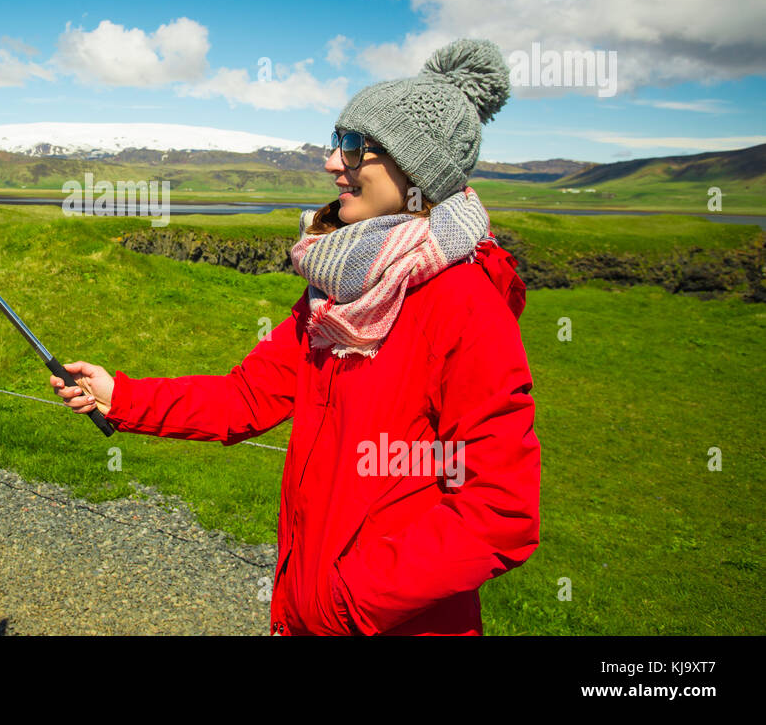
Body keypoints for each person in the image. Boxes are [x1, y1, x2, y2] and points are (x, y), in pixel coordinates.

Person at [51, 38, 541, 636]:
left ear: (418, 169)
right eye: (338, 143)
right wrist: (122, 399)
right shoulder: (338, 289)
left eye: (356, 147)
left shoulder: (464, 305)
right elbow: (249, 396)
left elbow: (499, 509)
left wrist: (347, 603)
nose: (334, 162)